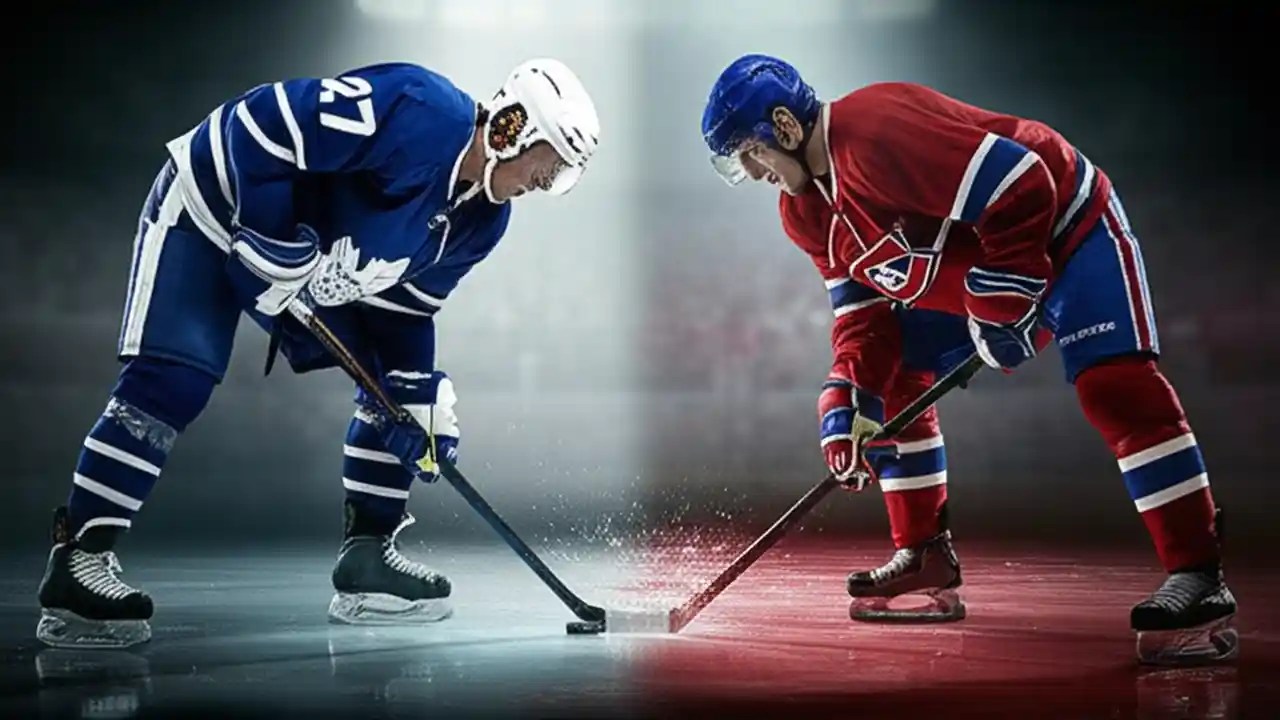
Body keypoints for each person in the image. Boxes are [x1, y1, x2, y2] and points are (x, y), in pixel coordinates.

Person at [36, 58, 600, 648]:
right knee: (174, 379)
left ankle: (368, 556)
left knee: (401, 395)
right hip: (213, 208)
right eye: (554, 160)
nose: (549, 179)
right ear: (514, 126)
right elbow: (261, 126)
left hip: (299, 269)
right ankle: (78, 560)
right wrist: (271, 232)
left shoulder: (483, 224)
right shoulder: (422, 109)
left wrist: (415, 397)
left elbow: (404, 312)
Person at [699, 54, 1235, 665]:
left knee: (1114, 387)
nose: (751, 170)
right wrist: (849, 400)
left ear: (785, 128)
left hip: (1071, 230)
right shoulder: (803, 212)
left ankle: (1200, 579)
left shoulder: (876, 128)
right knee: (890, 381)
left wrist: (1005, 294)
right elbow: (864, 320)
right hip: (996, 275)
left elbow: (1024, 182)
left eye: (749, 152)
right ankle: (925, 556)